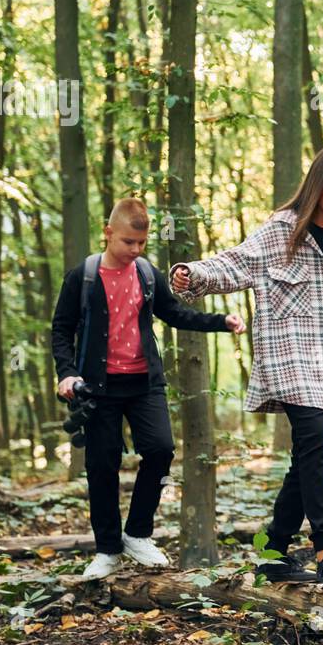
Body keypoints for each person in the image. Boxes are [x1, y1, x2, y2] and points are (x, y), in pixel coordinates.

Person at [170, 145, 323, 588]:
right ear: (317, 184)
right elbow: (235, 263)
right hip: (290, 355)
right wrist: (194, 274)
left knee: (309, 449)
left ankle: (273, 550)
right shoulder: (280, 232)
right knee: (313, 444)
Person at [52, 197, 244, 581]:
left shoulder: (146, 273)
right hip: (98, 388)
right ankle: (107, 550)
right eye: (128, 242)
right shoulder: (83, 276)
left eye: (142, 244)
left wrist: (221, 320)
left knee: (160, 451)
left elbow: (174, 314)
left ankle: (137, 534)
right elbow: (61, 329)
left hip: (144, 383)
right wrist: (67, 373)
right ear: (108, 234)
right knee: (101, 466)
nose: (135, 250)